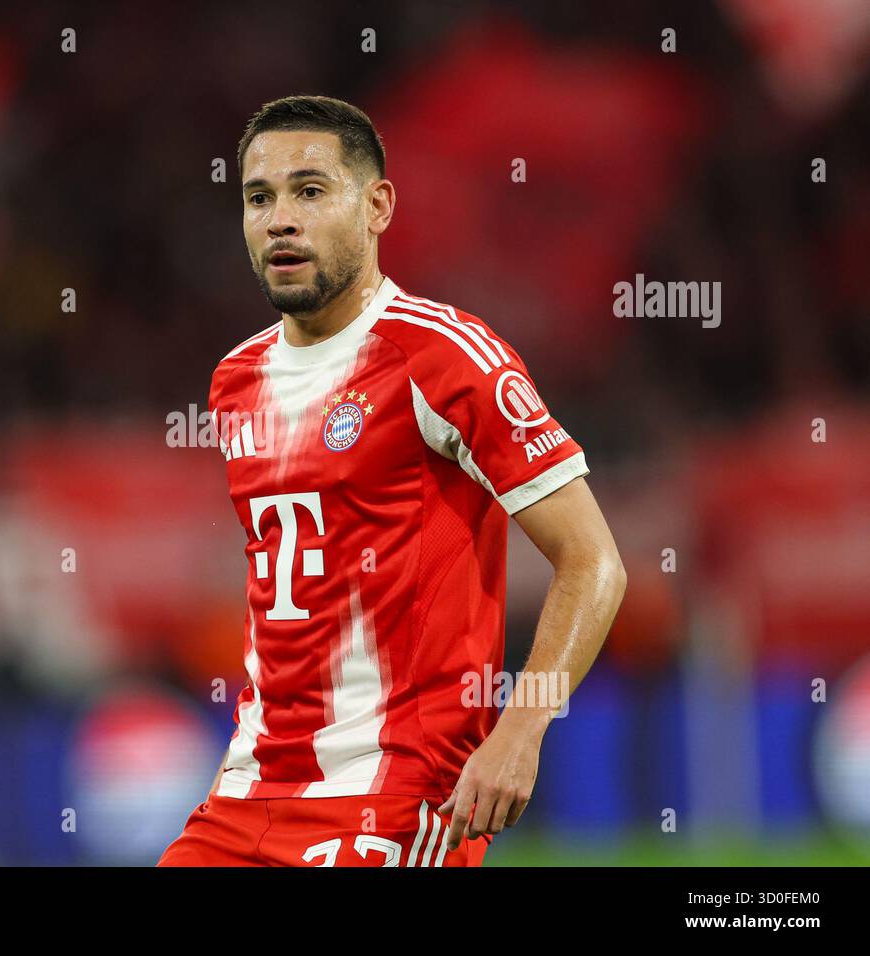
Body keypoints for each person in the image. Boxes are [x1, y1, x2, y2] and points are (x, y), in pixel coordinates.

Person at [158, 95, 626, 867]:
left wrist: (521, 728)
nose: (280, 219)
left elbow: (594, 563)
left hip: (401, 796)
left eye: (309, 191)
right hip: (247, 794)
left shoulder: (446, 357)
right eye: (258, 197)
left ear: (377, 207)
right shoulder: (234, 381)